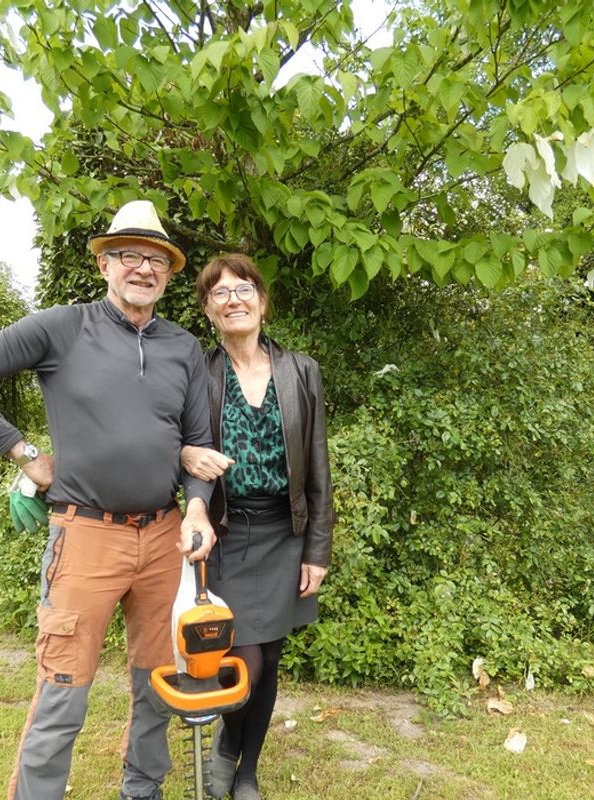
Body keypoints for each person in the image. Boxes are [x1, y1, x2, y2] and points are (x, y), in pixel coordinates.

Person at [0, 199, 217, 800]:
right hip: (86, 536)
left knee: (157, 679)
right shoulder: (61, 327)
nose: (144, 268)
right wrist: (23, 453)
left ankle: (143, 788)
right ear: (106, 264)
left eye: (156, 259)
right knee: (64, 686)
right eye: (130, 255)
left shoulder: (184, 347)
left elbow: (198, 442)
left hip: (165, 536)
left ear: (168, 273)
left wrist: (195, 505)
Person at [180, 253, 334, 800]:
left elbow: (317, 465)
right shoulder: (198, 372)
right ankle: (227, 742)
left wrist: (317, 548)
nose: (234, 300)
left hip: (285, 533)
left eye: (243, 289)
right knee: (239, 653)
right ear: (208, 310)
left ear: (262, 302)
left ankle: (246, 770)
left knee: (269, 657)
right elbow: (181, 447)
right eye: (220, 293)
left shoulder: (301, 371)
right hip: (226, 532)